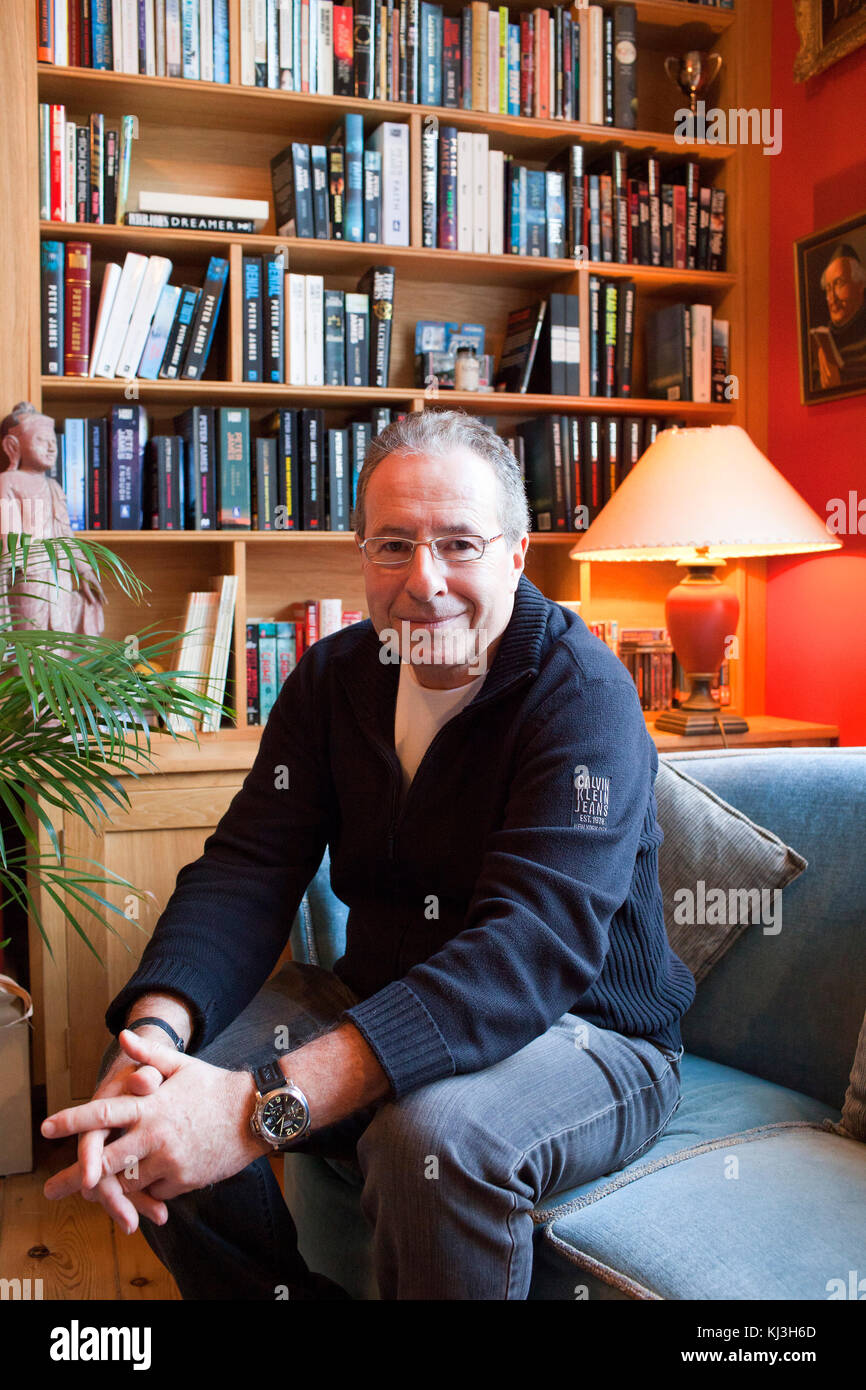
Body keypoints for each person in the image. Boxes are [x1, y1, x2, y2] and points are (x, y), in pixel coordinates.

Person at [41, 409, 695, 1301]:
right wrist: (157, 1029)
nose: (425, 583)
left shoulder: (582, 698)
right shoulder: (333, 678)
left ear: (517, 553)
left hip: (586, 1033)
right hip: (384, 995)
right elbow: (248, 868)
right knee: (154, 1093)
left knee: (428, 1139)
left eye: (459, 543)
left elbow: (525, 957)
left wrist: (255, 1108)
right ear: (361, 556)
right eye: (393, 546)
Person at [0, 401, 105, 636]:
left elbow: (66, 535)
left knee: (61, 645)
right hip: (28, 577)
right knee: (30, 646)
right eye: (41, 440)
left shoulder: (54, 487)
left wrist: (84, 571)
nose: (50, 448)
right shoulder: (9, 482)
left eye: (53, 442)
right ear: (12, 445)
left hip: (61, 576)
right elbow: (9, 540)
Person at [812, 243, 866, 391]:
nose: (832, 298)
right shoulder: (824, 344)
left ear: (860, 284)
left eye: (839, 284)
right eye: (828, 289)